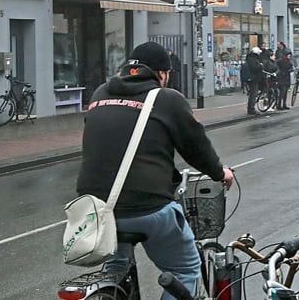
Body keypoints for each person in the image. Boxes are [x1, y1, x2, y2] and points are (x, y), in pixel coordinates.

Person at [76, 42, 234, 298]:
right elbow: (195, 147)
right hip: (146, 205)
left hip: (97, 208)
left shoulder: (100, 94)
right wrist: (220, 173)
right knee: (184, 270)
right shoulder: (166, 98)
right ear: (162, 73)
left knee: (117, 266)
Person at [243, 47, 265, 115]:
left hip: (253, 79)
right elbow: (254, 68)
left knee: (253, 93)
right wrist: (260, 66)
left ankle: (251, 108)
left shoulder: (250, 58)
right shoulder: (253, 59)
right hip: (253, 79)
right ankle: (251, 109)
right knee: (253, 94)